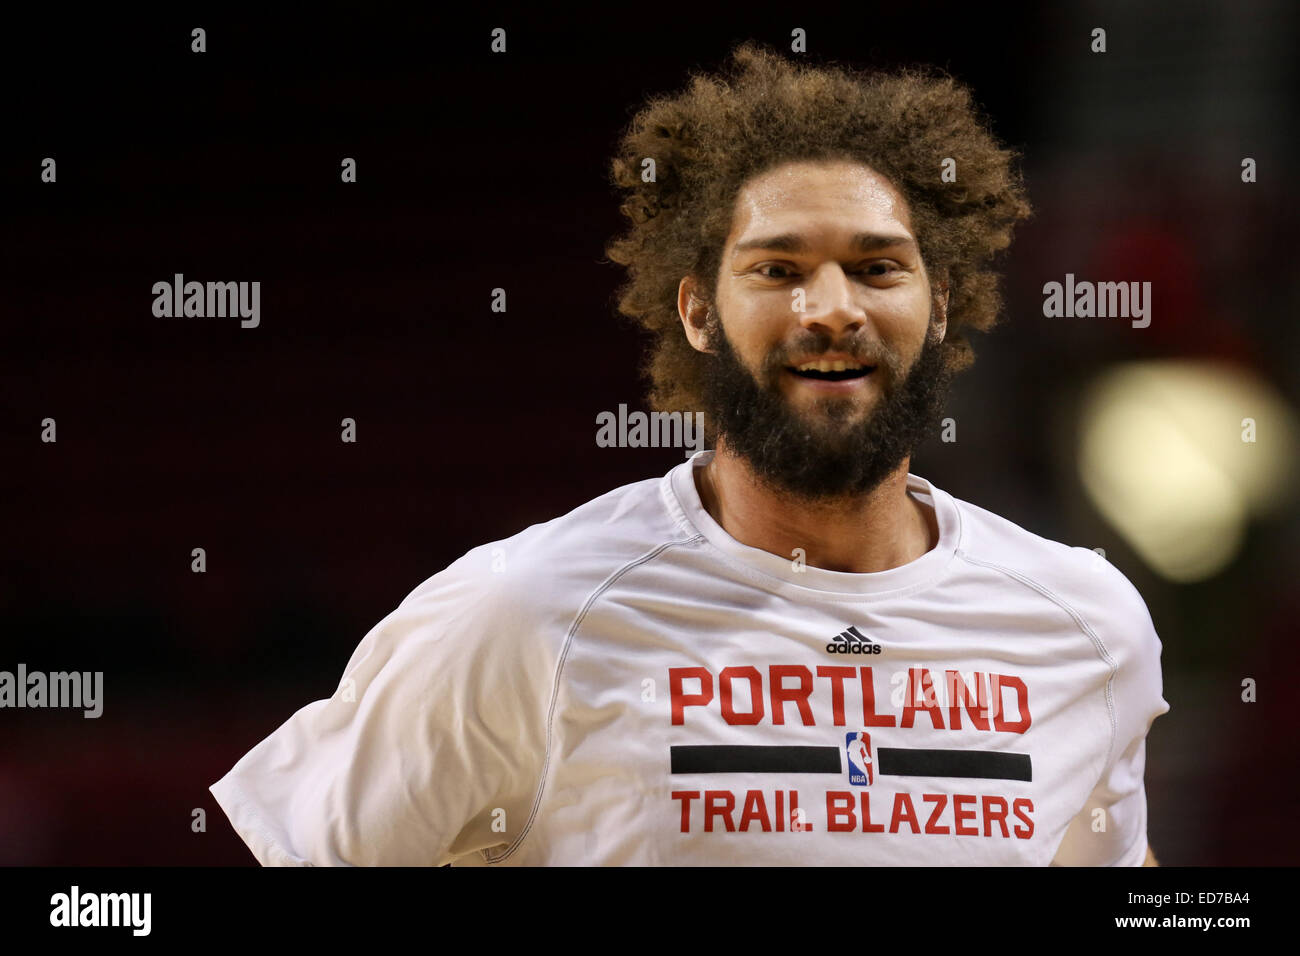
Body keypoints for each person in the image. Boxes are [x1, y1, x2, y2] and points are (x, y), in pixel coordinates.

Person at [210, 42, 1168, 866]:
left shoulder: (1085, 625)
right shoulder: (528, 612)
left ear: (941, 305)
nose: (831, 307)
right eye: (777, 269)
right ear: (699, 311)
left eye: (878, 267)